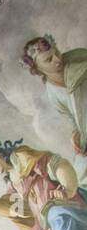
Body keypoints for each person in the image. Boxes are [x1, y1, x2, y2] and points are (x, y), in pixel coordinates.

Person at [22, 35, 87, 178]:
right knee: (79, 178)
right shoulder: (52, 92)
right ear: (38, 68)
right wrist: (75, 133)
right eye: (48, 59)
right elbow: (72, 117)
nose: (58, 59)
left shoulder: (81, 61)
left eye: (56, 53)